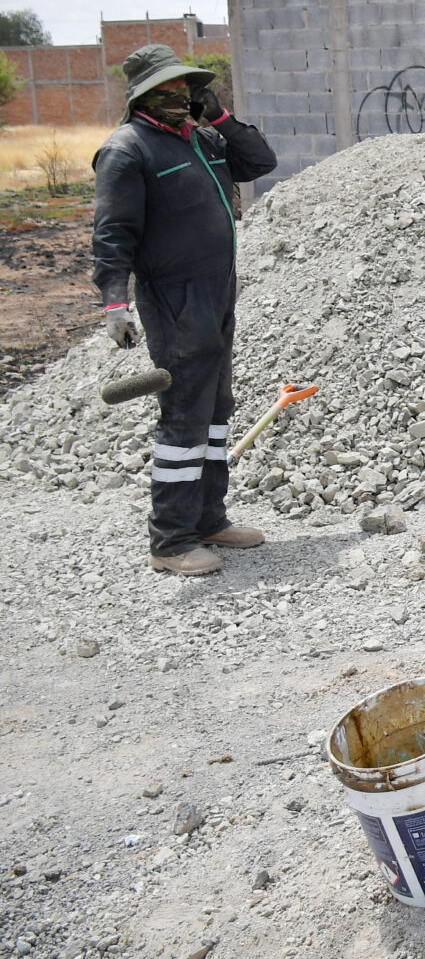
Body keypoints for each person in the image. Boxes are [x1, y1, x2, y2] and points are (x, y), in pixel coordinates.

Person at [93, 44, 277, 575]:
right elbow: (113, 234)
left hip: (218, 290)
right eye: (168, 90)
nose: (180, 97)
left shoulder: (203, 139)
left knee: (216, 410)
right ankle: (170, 541)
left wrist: (217, 113)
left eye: (186, 88)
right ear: (143, 97)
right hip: (173, 298)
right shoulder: (128, 151)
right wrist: (114, 301)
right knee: (185, 413)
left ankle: (209, 518)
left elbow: (260, 162)